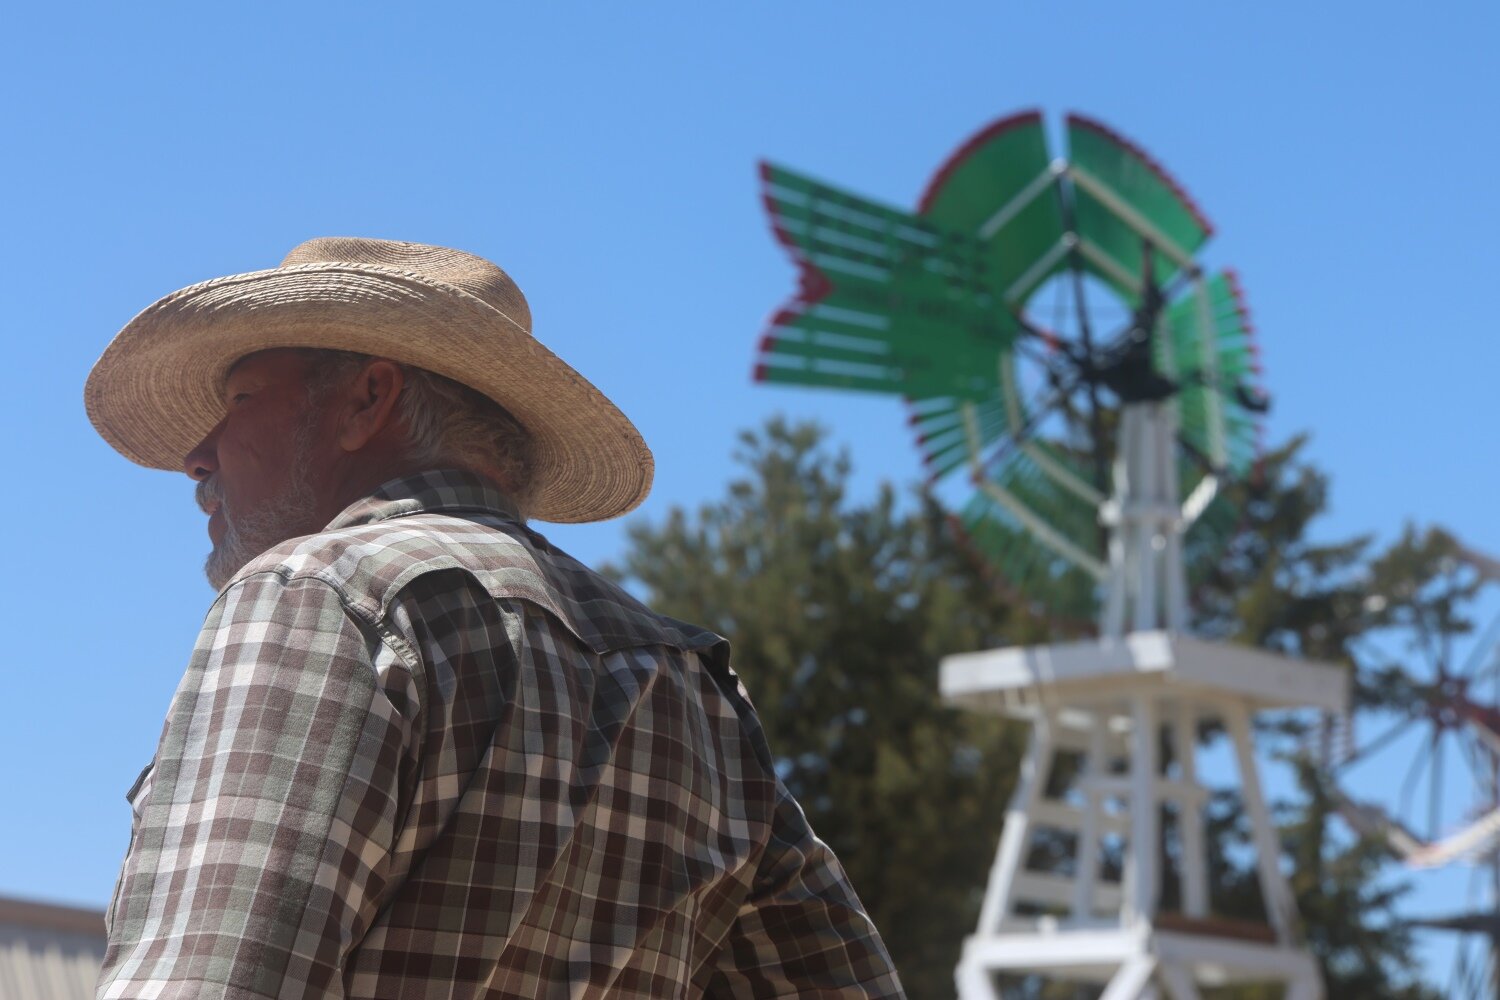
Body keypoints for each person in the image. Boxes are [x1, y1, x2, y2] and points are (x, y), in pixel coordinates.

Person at [87, 238, 905, 999]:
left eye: (241, 398)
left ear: (367, 399)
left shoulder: (320, 594)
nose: (199, 454)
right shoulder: (692, 684)